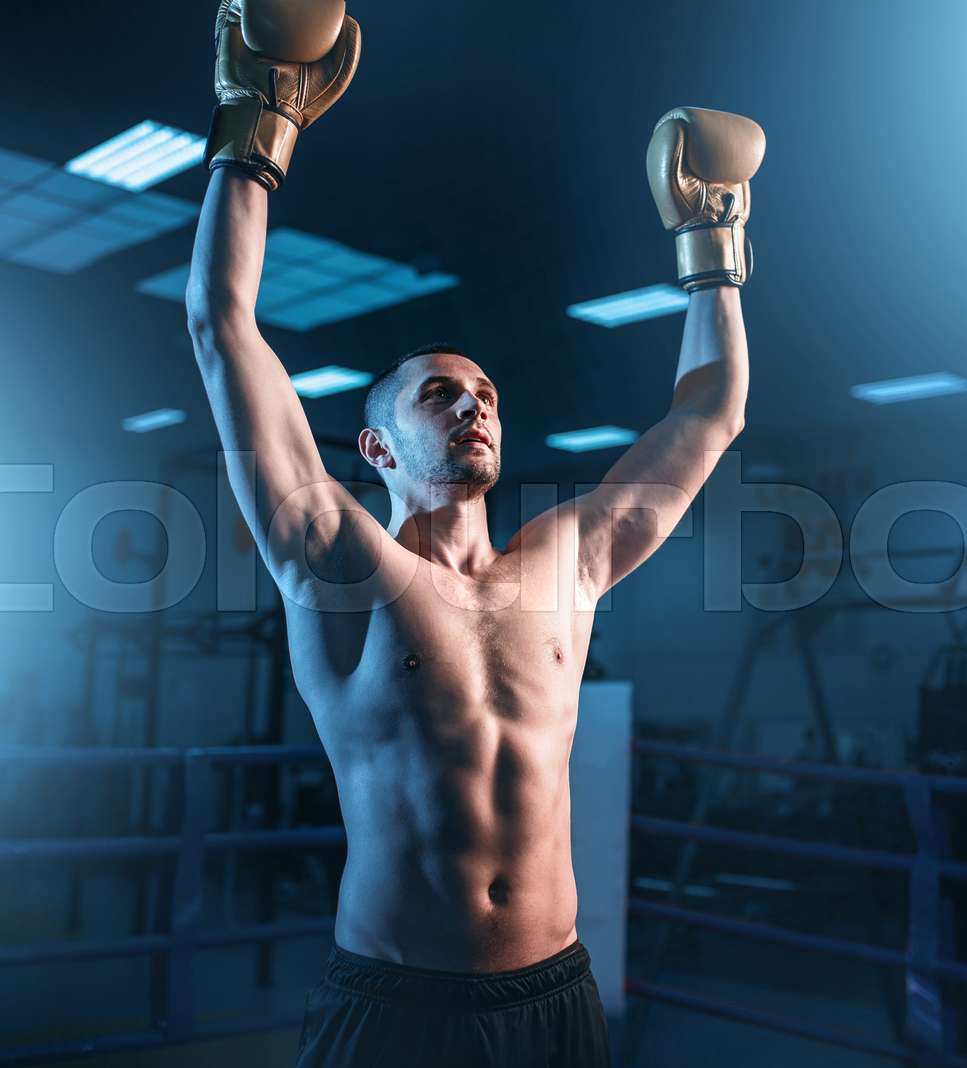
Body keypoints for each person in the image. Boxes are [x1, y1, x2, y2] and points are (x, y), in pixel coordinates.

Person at [186, 3, 763, 1064]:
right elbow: (224, 328)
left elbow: (710, 411)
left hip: (556, 998)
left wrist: (711, 245)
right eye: (440, 394)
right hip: (399, 1007)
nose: (474, 406)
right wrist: (255, 127)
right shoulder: (338, 561)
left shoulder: (567, 563)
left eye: (487, 393)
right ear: (376, 446)